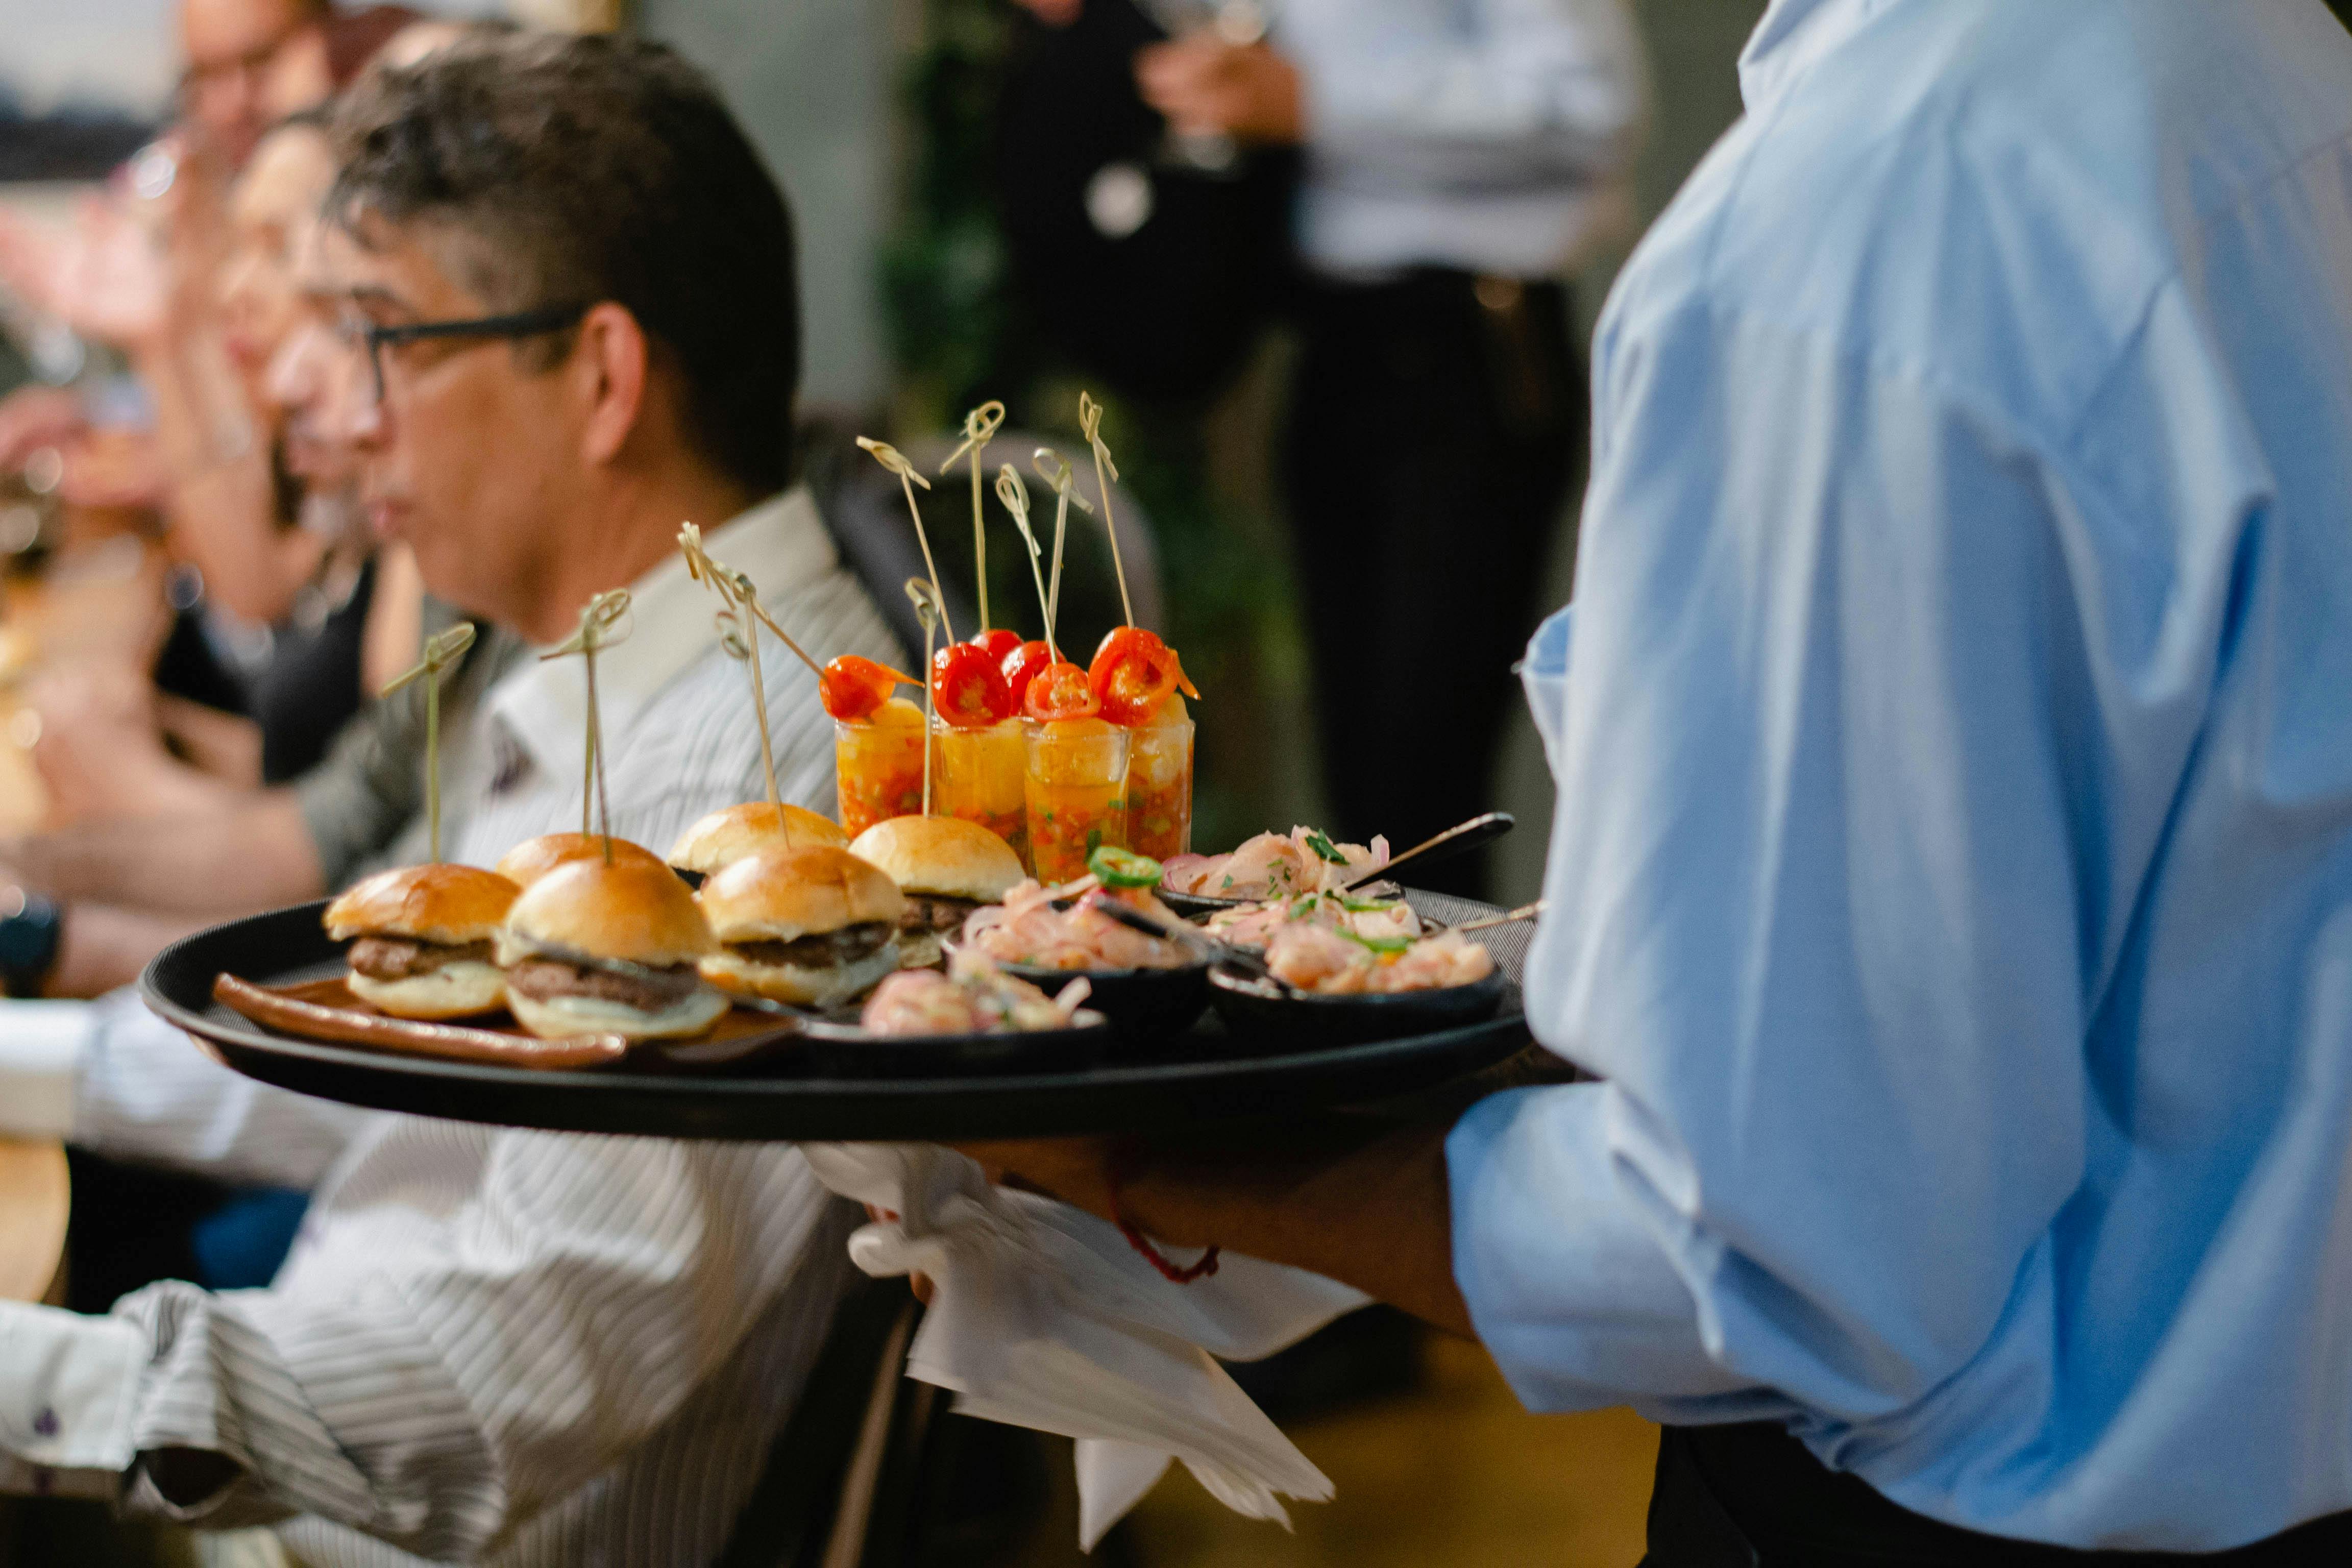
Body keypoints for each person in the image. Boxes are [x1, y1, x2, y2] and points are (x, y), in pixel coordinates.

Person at [972, 1, 2352, 1559]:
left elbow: (1769, 1255)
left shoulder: (1857, 244)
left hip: (1976, 1516)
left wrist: (1136, 1160)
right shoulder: (2276, 52)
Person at [0, 33, 905, 1566]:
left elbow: (501, 1383)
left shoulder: (739, 784)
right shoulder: (613, 660)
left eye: (390, 340)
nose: (351, 419)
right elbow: (369, 1041)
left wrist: (35, 1381)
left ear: (602, 379)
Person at [1010, 0, 1647, 894]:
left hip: (1468, 347)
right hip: (1330, 349)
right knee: (1363, 805)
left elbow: (1593, 106)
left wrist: (1314, 101)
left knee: (1425, 802)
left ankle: (1457, 978)